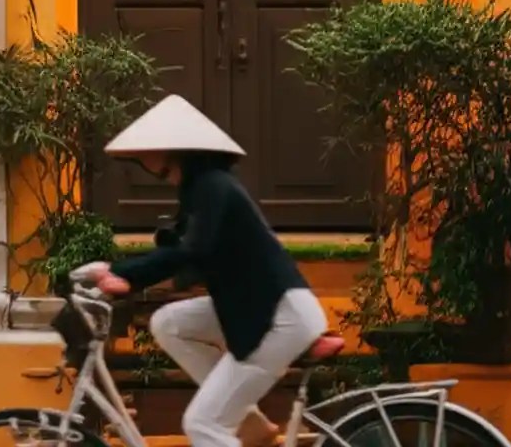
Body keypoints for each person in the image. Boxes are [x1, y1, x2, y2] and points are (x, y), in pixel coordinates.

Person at [83, 95, 329, 447]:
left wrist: (128, 277)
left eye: (153, 147)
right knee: (168, 324)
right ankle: (246, 419)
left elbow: (192, 250)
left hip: (278, 318)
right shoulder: (201, 190)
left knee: (202, 424)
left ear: (175, 150)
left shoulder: (213, 187)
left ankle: (231, 419)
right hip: (254, 307)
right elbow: (185, 252)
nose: (144, 158)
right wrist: (118, 271)